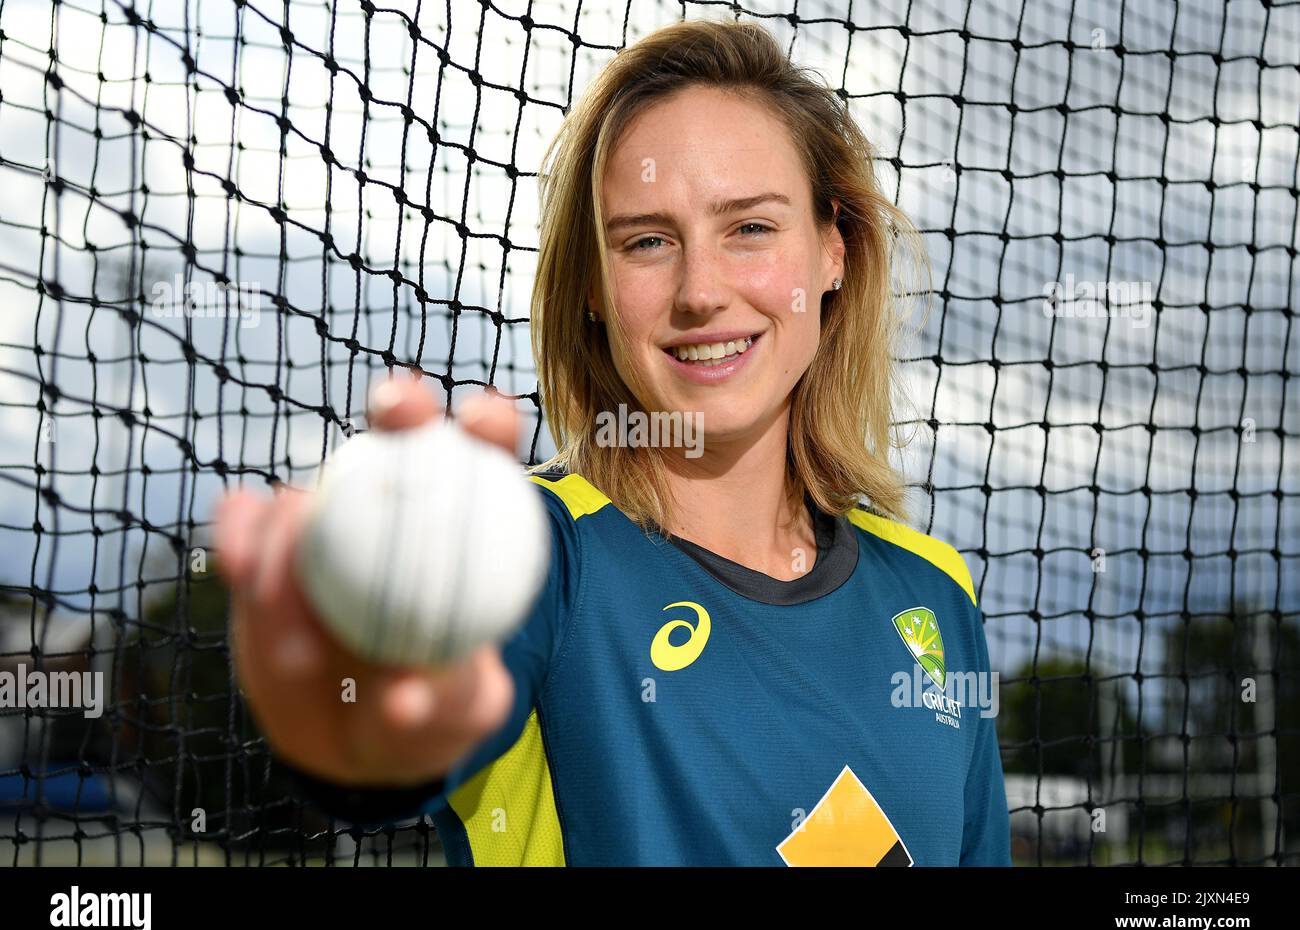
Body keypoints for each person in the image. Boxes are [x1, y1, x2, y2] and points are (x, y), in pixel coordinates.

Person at [213, 18, 1010, 866]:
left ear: (832, 251)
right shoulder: (529, 552)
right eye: (648, 241)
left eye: (750, 228)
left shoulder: (935, 590)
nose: (700, 291)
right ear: (593, 288)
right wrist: (354, 719)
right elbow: (390, 736)